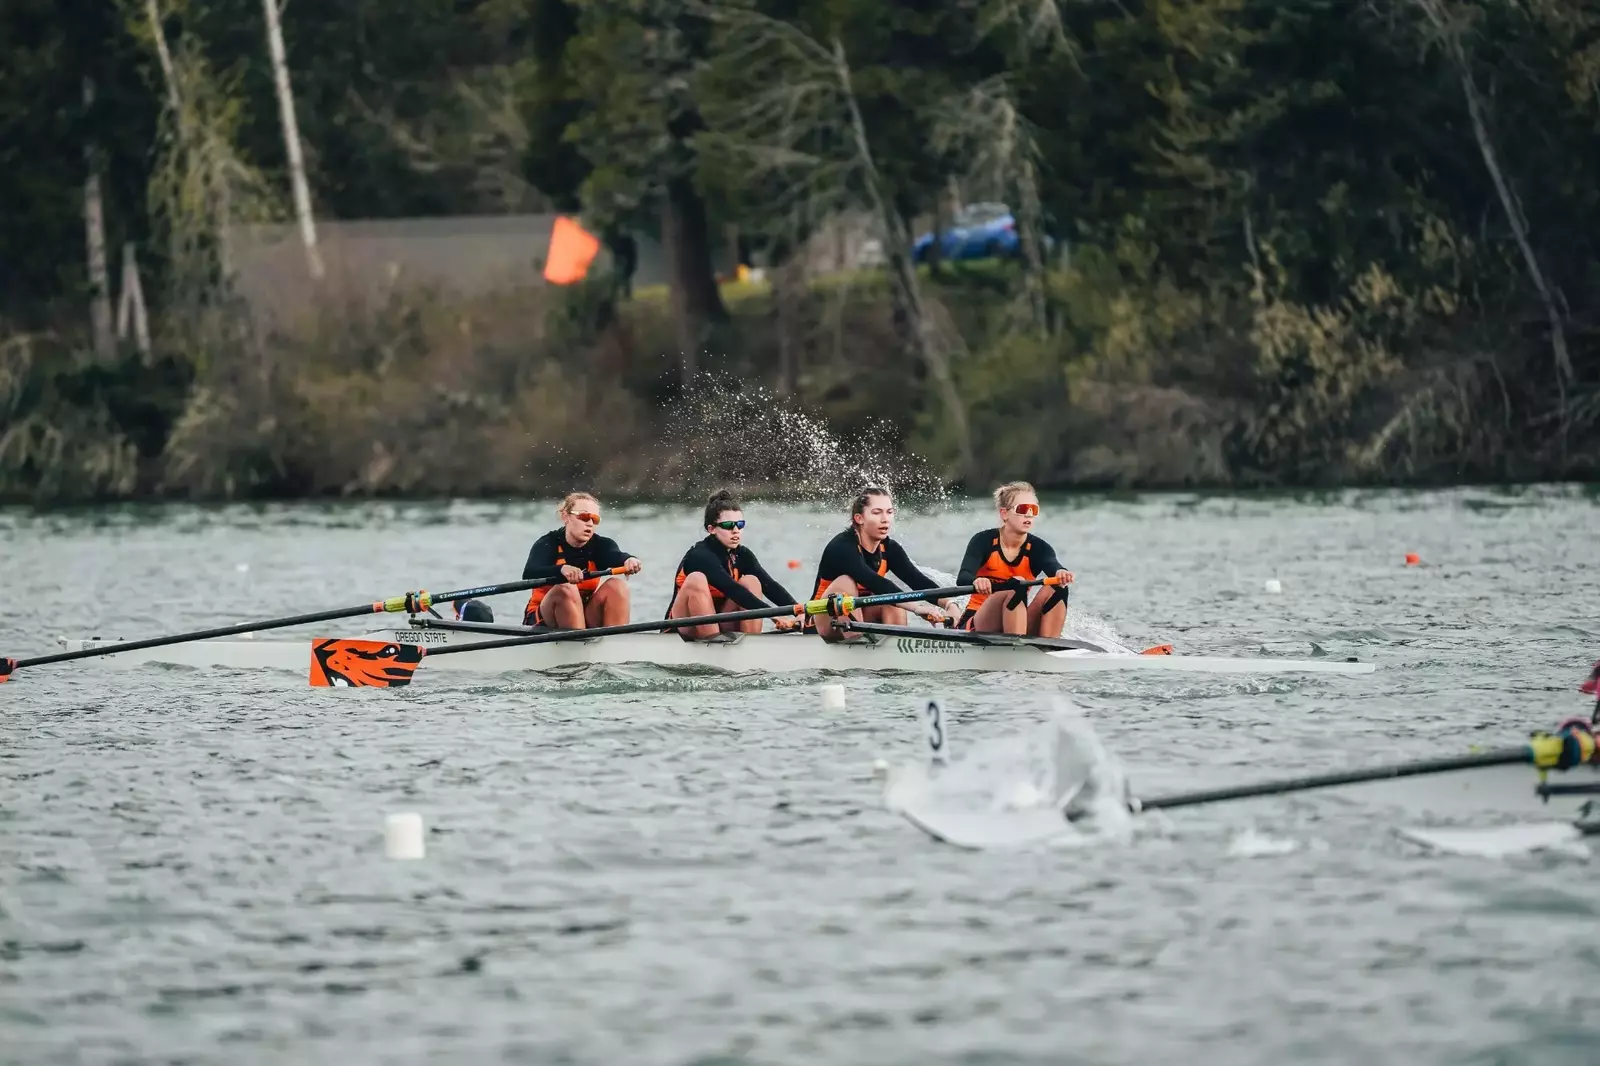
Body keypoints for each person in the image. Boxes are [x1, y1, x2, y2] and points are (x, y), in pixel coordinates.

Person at [809, 486, 951, 642]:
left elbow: (918, 581)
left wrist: (949, 604)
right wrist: (918, 608)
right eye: (877, 513)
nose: (885, 519)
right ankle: (855, 646)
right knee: (848, 583)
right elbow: (876, 582)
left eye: (889, 512)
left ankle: (894, 647)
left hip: (859, 617)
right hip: (822, 622)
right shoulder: (841, 547)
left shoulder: (889, 548)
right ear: (859, 519)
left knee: (892, 603)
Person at [665, 490, 801, 640]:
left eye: (740, 525)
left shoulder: (742, 554)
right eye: (729, 525)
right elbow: (732, 589)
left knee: (751, 581)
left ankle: (751, 643)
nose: (736, 531)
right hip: (685, 627)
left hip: (720, 621)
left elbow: (770, 586)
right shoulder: (700, 556)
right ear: (711, 529)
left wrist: (799, 611)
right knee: (696, 579)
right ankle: (713, 642)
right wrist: (774, 616)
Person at [954, 481, 1072, 636]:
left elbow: (1052, 565)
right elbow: (963, 577)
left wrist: (1060, 572)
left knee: (1058, 587)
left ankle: (1048, 646)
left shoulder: (1039, 548)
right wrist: (976, 581)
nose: (1028, 514)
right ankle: (1016, 644)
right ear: (1005, 514)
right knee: (1015, 584)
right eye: (1022, 509)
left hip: (1016, 618)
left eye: (1033, 510)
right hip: (978, 620)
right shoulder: (983, 541)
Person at [521, 491, 643, 629]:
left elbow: (616, 556)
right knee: (566, 587)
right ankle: (579, 640)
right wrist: (561, 570)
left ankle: (614, 640)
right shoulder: (548, 543)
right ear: (565, 517)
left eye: (594, 519)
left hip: (584, 615)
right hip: (543, 618)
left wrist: (629, 559)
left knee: (617, 586)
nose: (590, 524)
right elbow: (530, 573)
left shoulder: (601, 545)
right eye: (584, 517)